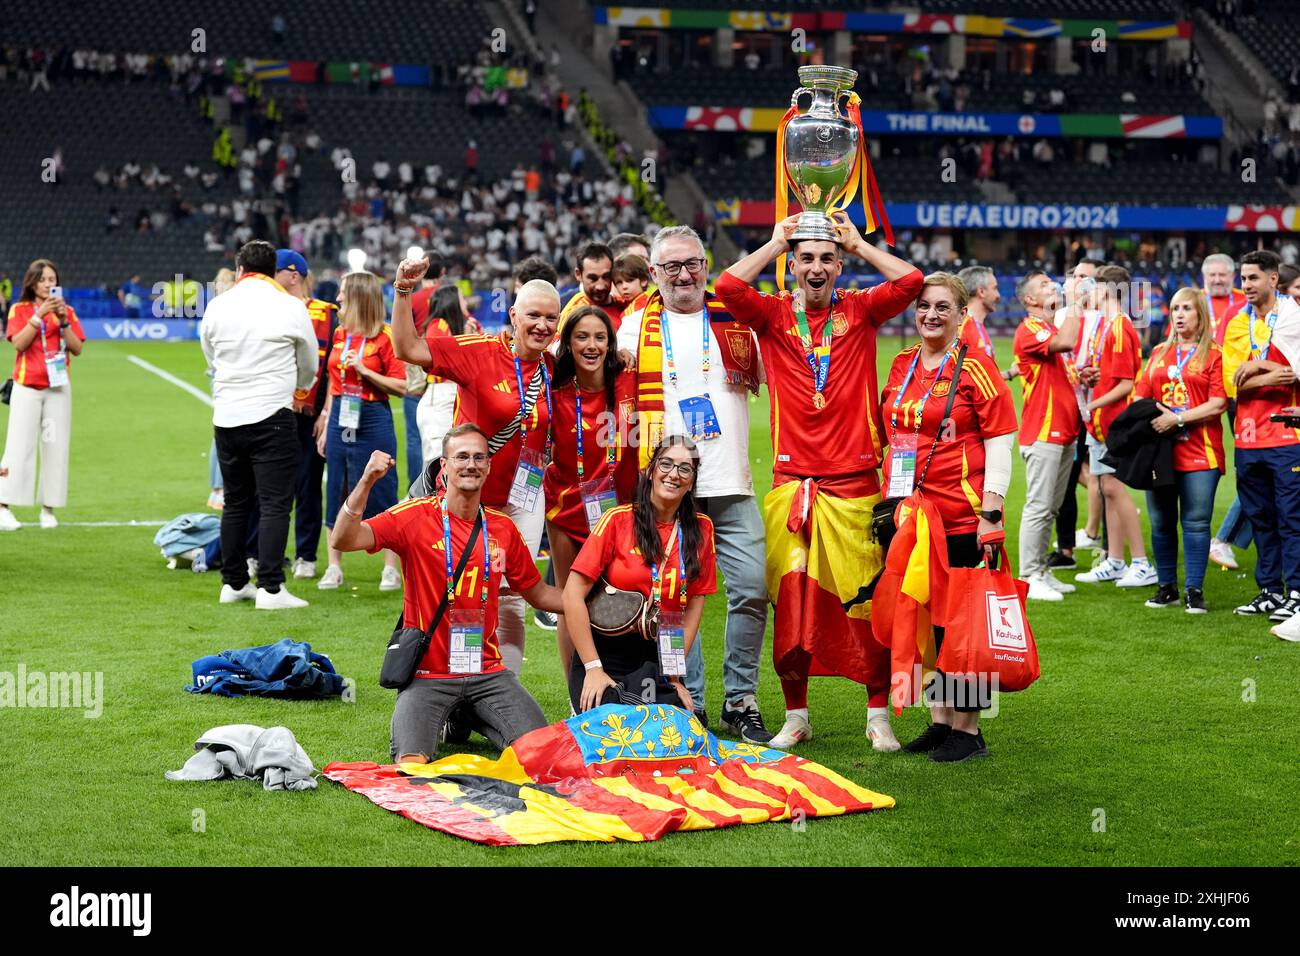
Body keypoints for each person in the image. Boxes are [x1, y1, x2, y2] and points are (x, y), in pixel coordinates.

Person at [715, 212, 922, 752]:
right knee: (794, 604)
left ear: (838, 265)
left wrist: (858, 242)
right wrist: (776, 239)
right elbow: (727, 285)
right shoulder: (773, 314)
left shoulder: (861, 308)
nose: (816, 267)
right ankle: (796, 714)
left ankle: (878, 715)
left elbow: (911, 282)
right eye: (806, 258)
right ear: (792, 265)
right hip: (793, 482)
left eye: (827, 258)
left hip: (855, 483)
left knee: (862, 604)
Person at [617, 225, 773, 742]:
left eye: (693, 264)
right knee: (675, 598)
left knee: (751, 589)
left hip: (731, 479)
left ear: (706, 266)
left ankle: (741, 697)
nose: (684, 275)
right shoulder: (634, 326)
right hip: (668, 487)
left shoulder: (738, 319)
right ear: (654, 274)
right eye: (671, 267)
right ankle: (691, 700)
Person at [328, 428, 563, 762]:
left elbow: (539, 594)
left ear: (489, 466)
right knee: (412, 765)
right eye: (462, 457)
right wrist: (367, 480)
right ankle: (459, 713)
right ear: (445, 466)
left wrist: (591, 604)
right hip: (428, 677)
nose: (471, 465)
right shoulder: (413, 516)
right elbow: (343, 540)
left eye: (479, 457)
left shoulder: (502, 527)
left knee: (543, 756)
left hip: (487, 673)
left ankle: (464, 714)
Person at [392, 263, 558, 675]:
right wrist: (401, 290)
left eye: (551, 318)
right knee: (463, 591)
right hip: (469, 497)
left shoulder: (553, 367)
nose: (541, 325)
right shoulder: (477, 351)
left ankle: (505, 685)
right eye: (533, 315)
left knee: (512, 595)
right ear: (514, 315)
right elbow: (407, 349)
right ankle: (453, 681)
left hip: (524, 497)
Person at [878, 272, 1017, 762]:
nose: (930, 315)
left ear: (962, 314)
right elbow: (892, 435)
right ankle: (940, 721)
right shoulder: (900, 365)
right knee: (928, 621)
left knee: (965, 625)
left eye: (942, 307)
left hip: (963, 517)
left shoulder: (975, 365)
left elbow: (1001, 441)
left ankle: (970, 729)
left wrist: (992, 510)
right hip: (915, 519)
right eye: (923, 307)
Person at [199, 240, 318, 609]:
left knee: (236, 502)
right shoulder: (290, 306)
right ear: (272, 271)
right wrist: (298, 385)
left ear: (239, 270)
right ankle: (270, 587)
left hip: (227, 417)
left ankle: (233, 582)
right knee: (275, 503)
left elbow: (209, 353)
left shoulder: (218, 305)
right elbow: (310, 362)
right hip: (272, 415)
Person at [564, 435, 713, 712]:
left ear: (692, 481)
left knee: (673, 730)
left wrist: (673, 677)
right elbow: (572, 594)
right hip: (606, 652)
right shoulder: (618, 520)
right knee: (611, 725)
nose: (673, 474)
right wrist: (593, 668)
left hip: (654, 654)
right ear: (650, 471)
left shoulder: (702, 530)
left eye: (684, 468)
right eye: (666, 464)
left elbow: (693, 606)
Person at [544, 304, 639, 683]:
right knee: (572, 601)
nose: (591, 345)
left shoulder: (629, 378)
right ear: (568, 343)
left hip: (622, 511)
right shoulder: (555, 390)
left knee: (624, 594)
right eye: (581, 336)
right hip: (566, 510)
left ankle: (626, 681)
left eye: (600, 337)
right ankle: (576, 691)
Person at [1134, 288, 1227, 613]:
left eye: (1186, 308)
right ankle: (1166, 587)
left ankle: (1194, 591)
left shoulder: (1214, 354)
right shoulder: (1158, 352)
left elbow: (1218, 403)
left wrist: (1178, 418)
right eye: (1175, 308)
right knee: (1160, 521)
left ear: (1200, 313)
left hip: (1201, 451)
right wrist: (1158, 415)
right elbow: (1139, 397)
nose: (1179, 314)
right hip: (1161, 452)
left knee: (1196, 522)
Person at [1220, 250, 1300, 627]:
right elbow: (1232, 384)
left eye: (1253, 278)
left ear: (1273, 279)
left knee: (1292, 518)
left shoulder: (1293, 316)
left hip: (1287, 434)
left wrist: (1259, 367)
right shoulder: (1237, 323)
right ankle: (1270, 591)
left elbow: (1297, 372)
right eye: (1244, 278)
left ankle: (1296, 593)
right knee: (1261, 518)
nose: (1247, 285)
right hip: (1248, 437)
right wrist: (1273, 373)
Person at [316, 271, 406, 591]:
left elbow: (402, 384)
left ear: (358, 298)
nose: (338, 298)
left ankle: (390, 569)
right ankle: (334, 566)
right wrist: (327, 418)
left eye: (343, 293)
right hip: (342, 413)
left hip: (373, 417)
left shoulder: (385, 336)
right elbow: (332, 381)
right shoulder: (340, 334)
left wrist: (365, 371)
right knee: (337, 487)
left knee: (383, 488)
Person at [1073, 264, 1157, 588]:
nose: (1086, 293)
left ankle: (1140, 562)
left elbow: (1125, 383)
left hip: (1113, 421)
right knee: (1107, 489)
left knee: (1114, 488)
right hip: (1101, 422)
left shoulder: (1119, 328)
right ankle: (1115, 560)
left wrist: (1093, 402)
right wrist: (1093, 378)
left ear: (1107, 291)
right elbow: (1111, 375)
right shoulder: (1107, 327)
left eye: (1092, 287)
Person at [1013, 269, 1084, 601]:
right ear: (1030, 300)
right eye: (1044, 285)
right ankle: (1028, 574)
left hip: (1062, 431)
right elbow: (1068, 342)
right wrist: (1075, 302)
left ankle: (1041, 570)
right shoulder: (1029, 328)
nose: (1052, 286)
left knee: (1051, 507)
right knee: (1039, 506)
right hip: (1044, 431)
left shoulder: (1048, 328)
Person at [0, 259, 84, 531]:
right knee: (17, 448)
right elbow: (19, 343)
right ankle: (3, 506)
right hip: (27, 387)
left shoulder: (66, 310)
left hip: (58, 389)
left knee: (55, 447)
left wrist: (62, 322)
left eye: (53, 279)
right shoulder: (20, 309)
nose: (49, 284)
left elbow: (77, 349)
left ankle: (48, 510)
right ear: (32, 282)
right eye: (44, 279)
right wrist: (39, 317)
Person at [274, 250, 337, 581]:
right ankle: (265, 553)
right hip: (275, 410)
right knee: (273, 485)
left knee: (309, 484)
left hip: (311, 414)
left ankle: (306, 555)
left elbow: (333, 368)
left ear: (294, 275)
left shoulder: (328, 314)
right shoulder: (267, 312)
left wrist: (325, 410)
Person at [414, 285, 470, 483]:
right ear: (452, 302)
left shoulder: (454, 326)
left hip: (445, 397)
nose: (466, 302)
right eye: (462, 298)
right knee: (438, 465)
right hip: (439, 398)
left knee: (448, 461)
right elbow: (448, 365)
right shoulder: (439, 326)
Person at [206, 267, 237, 511]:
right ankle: (220, 488)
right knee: (226, 432)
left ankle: (218, 488)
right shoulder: (230, 309)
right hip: (228, 374)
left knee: (223, 429)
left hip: (218, 373)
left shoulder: (215, 308)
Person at [558, 241, 623, 331]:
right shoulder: (571, 313)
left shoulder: (626, 307)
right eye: (593, 278)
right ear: (578, 274)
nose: (600, 286)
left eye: (606, 277)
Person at [955, 265, 1001, 366]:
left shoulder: (975, 325)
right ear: (981, 292)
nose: (998, 295)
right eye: (995, 288)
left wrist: (1010, 373)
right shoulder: (962, 328)